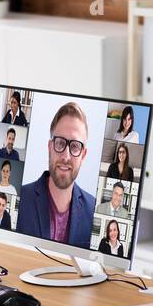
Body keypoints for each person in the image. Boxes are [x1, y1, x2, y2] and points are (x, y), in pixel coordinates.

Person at [15, 102, 95, 248]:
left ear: (83, 155)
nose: (66, 156)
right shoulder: (19, 199)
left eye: (75, 146)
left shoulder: (94, 211)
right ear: (50, 147)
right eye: (60, 143)